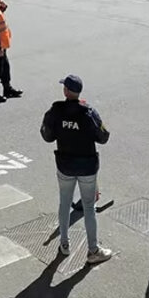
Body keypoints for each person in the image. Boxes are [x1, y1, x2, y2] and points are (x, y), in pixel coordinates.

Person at [40, 74, 113, 264]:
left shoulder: (56, 110)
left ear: (65, 91)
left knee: (64, 203)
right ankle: (93, 250)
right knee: (89, 207)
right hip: (87, 167)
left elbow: (46, 135)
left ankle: (64, 244)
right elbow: (103, 137)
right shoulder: (88, 112)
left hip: (65, 165)